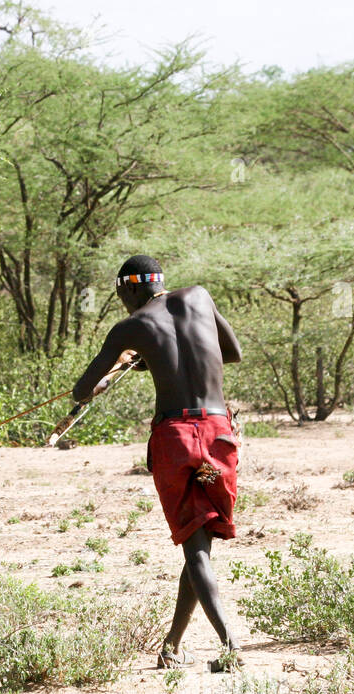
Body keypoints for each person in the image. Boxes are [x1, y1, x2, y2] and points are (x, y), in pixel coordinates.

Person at [71, 255, 244, 670]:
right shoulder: (200, 296)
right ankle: (172, 644)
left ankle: (230, 645)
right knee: (198, 541)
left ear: (129, 289)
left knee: (195, 548)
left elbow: (81, 391)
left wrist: (131, 358)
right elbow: (232, 352)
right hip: (220, 433)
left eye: (120, 295)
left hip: (176, 438)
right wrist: (159, 360)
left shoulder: (131, 327)